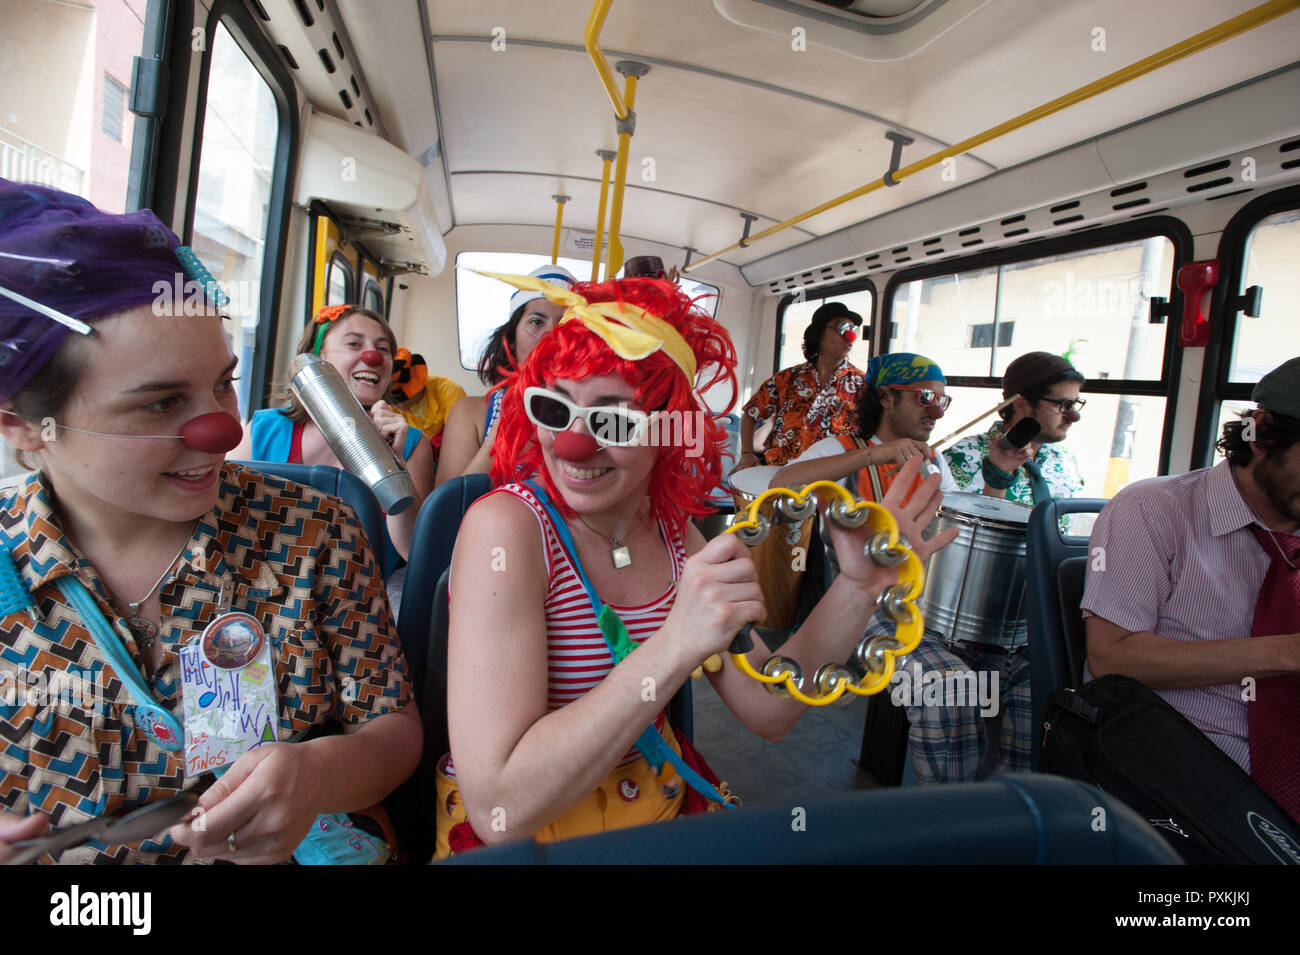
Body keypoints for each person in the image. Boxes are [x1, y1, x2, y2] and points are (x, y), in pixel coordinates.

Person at [434, 272, 957, 857]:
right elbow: (501, 807)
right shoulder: (505, 528)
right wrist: (676, 642)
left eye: (613, 420)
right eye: (553, 409)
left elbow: (768, 707)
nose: (571, 445)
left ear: (667, 430)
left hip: (653, 805)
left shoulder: (671, 531)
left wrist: (859, 588)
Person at [0, 179, 420, 864]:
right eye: (161, 403)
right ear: (21, 422)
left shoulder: (315, 531)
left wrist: (319, 773)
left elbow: (394, 730)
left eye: (224, 382)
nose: (222, 429)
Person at [1082, 357, 1300, 820]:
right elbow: (1111, 657)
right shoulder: (1154, 511)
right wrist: (1287, 653)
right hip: (1196, 763)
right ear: (1262, 436)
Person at [230, 304, 435, 569]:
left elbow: (413, 553)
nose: (373, 356)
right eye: (353, 344)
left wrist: (395, 464)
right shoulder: (263, 430)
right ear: (317, 355)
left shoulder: (411, 444)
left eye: (383, 349)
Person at [437, 263, 577, 487]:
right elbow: (446, 513)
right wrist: (510, 419)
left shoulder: (592, 417)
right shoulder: (471, 413)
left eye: (565, 325)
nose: (551, 336)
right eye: (536, 322)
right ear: (511, 340)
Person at [944, 351, 1086, 505]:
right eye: (1064, 405)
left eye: (1075, 404)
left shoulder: (1066, 462)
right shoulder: (961, 458)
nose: (1074, 416)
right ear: (1021, 405)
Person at [736, 302, 864, 470]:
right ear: (819, 335)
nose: (850, 336)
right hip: (779, 471)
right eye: (842, 328)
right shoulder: (787, 378)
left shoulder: (862, 384)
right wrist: (746, 455)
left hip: (832, 478)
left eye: (854, 330)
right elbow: (751, 412)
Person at [387, 348, 466, 481]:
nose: (394, 404)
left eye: (399, 398)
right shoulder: (391, 409)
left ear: (418, 387)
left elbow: (460, 443)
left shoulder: (449, 391)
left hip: (451, 459)